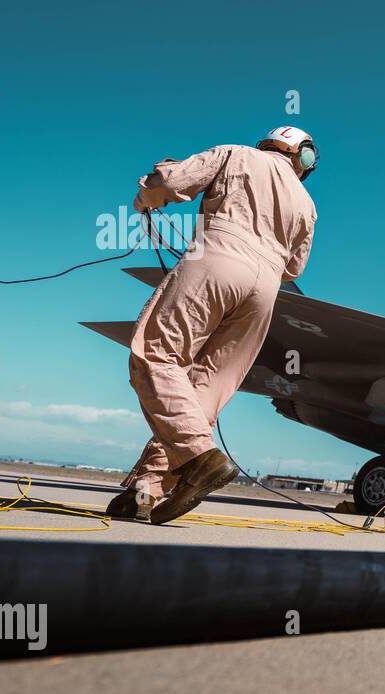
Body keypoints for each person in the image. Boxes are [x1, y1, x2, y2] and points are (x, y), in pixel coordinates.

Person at [107, 127, 319, 525]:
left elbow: (170, 181)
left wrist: (146, 197)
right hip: (266, 290)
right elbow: (296, 268)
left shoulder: (237, 154)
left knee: (155, 355)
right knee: (207, 389)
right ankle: (147, 489)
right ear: (304, 157)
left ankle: (200, 458)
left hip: (217, 258)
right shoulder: (307, 203)